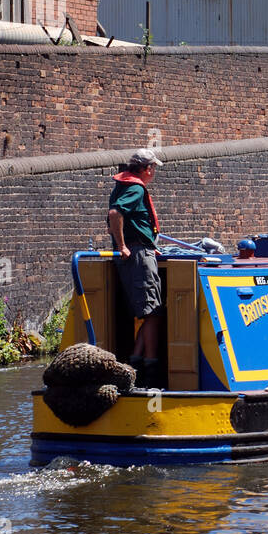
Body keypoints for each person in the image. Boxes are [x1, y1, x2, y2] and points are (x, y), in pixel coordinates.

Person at [107, 147, 166, 388]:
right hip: (139, 255)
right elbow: (115, 214)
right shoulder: (135, 187)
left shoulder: (124, 185)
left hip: (143, 250)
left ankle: (135, 363)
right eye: (153, 168)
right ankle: (149, 372)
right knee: (152, 312)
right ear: (147, 168)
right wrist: (123, 245)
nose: (154, 173)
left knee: (150, 312)